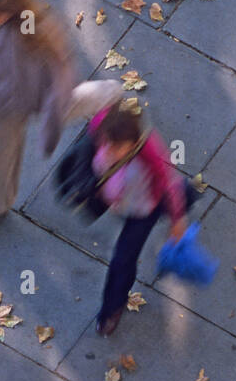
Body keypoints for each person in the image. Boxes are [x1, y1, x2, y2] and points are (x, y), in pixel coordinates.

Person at [0, 0, 119, 236]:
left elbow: (60, 72)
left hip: (47, 100)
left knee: (76, 101)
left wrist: (50, 124)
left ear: (9, 12)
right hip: (7, 106)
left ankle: (111, 95)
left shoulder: (32, 29)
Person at [86, 101, 201, 337]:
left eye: (119, 148)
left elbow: (166, 184)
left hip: (144, 207)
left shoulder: (150, 152)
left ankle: (111, 310)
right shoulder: (101, 126)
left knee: (122, 260)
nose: (111, 151)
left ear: (134, 143)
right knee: (179, 195)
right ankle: (188, 194)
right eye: (108, 144)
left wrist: (177, 220)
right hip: (122, 199)